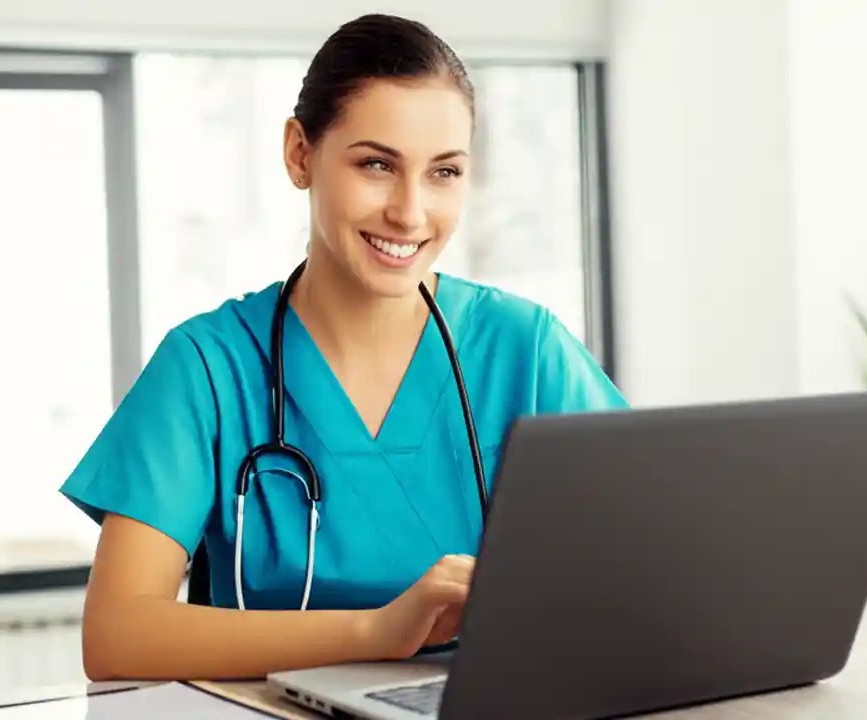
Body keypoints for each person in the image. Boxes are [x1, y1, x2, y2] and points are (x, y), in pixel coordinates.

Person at [59, 13, 629, 682]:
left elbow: (648, 568)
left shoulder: (526, 351)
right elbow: (118, 634)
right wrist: (377, 631)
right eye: (377, 165)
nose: (411, 213)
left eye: (444, 173)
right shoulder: (209, 368)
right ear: (301, 154)